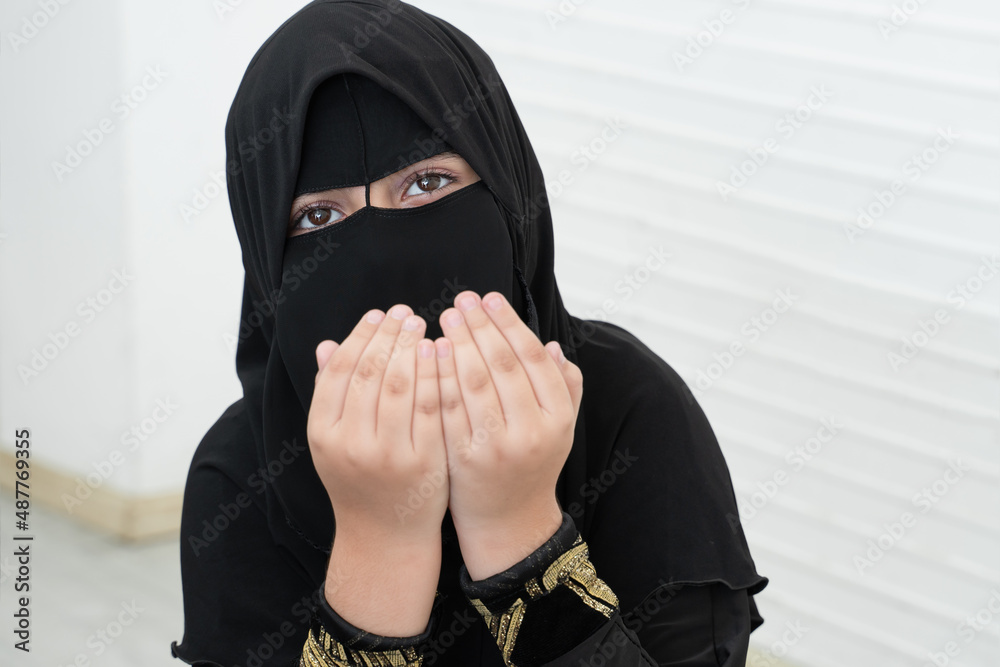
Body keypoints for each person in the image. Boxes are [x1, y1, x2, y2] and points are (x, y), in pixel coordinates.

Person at [170, 1, 768, 665]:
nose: (378, 257)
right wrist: (379, 542)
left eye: (427, 182)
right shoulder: (242, 472)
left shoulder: (627, 408)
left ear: (509, 197)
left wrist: (518, 531)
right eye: (316, 217)